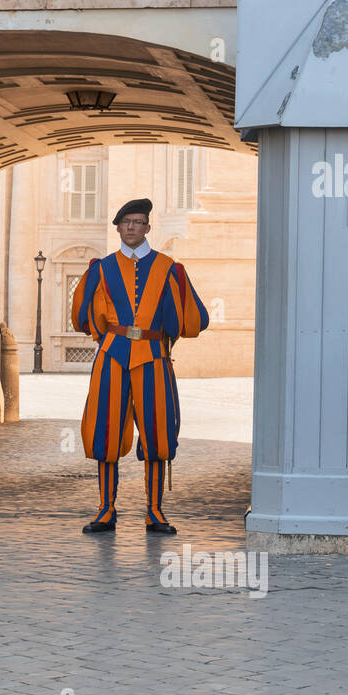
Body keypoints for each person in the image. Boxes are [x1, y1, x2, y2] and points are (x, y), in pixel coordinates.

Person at [70, 198, 209, 535]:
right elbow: (82, 318)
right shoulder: (100, 268)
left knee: (158, 434)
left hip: (154, 355)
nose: (131, 227)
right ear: (117, 227)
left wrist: (164, 339)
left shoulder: (169, 268)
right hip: (112, 355)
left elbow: (196, 318)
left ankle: (155, 512)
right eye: (125, 222)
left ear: (148, 227)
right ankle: (106, 509)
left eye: (137, 222)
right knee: (105, 431)